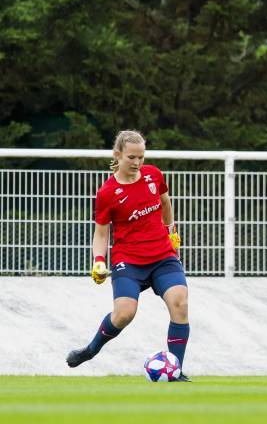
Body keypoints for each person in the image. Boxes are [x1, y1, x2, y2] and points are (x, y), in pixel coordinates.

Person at [66, 130, 190, 381]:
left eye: (141, 157)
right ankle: (90, 350)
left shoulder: (154, 175)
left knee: (180, 303)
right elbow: (101, 234)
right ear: (118, 155)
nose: (137, 163)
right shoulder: (107, 193)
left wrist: (171, 231)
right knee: (124, 313)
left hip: (162, 256)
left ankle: (175, 371)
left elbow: (165, 203)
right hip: (129, 261)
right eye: (132, 157)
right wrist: (99, 262)